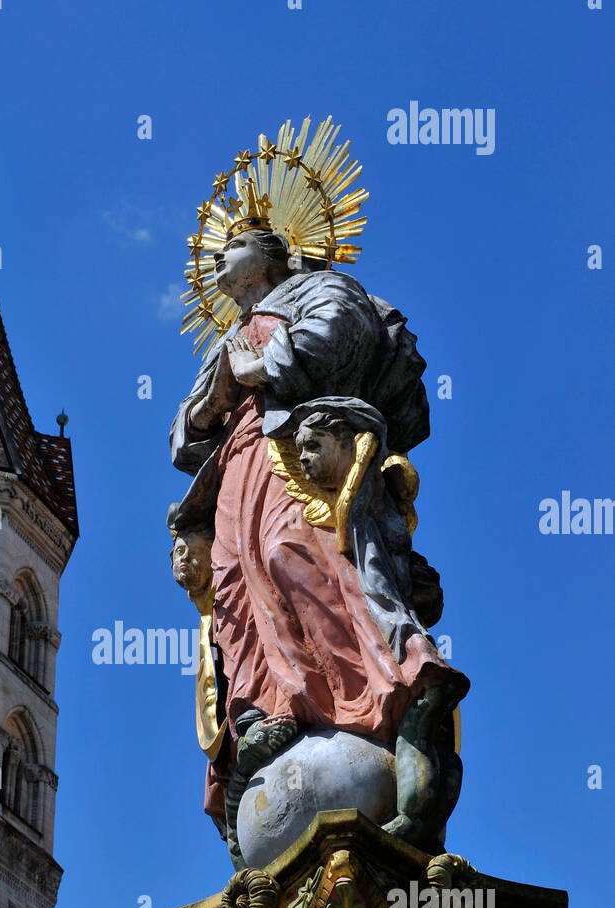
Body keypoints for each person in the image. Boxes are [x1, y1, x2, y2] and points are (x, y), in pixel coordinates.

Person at [169, 228, 467, 861]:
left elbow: (340, 332)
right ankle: (267, 709)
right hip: (234, 468)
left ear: (272, 257)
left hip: (290, 455)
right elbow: (184, 434)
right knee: (236, 592)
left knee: (292, 556)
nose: (217, 255)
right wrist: (211, 400)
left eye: (234, 245)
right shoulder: (225, 338)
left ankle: (349, 697)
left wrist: (252, 367)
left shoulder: (316, 287)